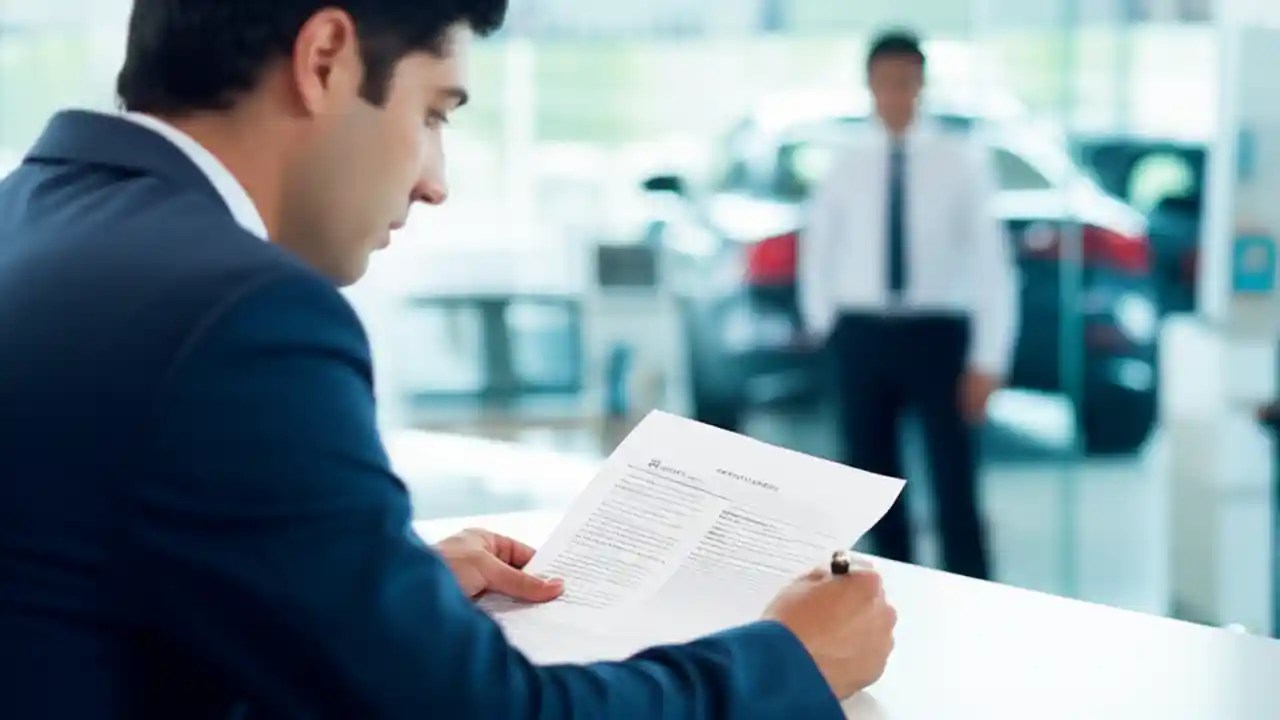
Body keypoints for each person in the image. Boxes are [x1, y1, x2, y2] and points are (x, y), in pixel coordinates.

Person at [0, 1, 897, 717]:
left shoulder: (33, 219)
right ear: (324, 59)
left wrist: (383, 591)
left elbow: (112, 584)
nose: (435, 180)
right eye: (432, 113)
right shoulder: (240, 315)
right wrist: (788, 664)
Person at [799, 30, 1017, 581]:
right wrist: (828, 328)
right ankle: (889, 595)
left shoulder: (960, 161)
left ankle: (971, 594)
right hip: (862, 334)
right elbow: (819, 248)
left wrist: (989, 359)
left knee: (954, 480)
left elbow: (993, 266)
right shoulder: (843, 162)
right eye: (884, 81)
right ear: (869, 85)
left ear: (921, 83)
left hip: (937, 335)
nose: (895, 92)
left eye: (905, 80)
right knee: (871, 483)